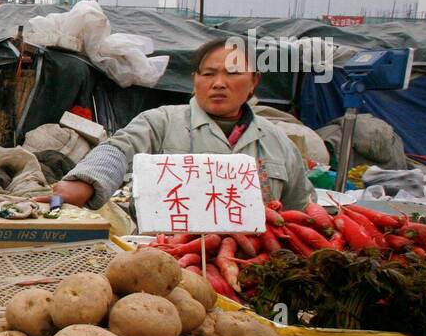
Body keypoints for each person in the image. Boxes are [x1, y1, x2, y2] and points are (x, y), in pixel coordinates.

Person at [54, 37, 314, 211]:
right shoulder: (162, 121)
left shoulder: (278, 143)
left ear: (254, 81)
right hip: (168, 267)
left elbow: (302, 210)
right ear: (195, 79)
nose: (219, 83)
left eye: (232, 73)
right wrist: (87, 181)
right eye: (209, 74)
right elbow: (118, 149)